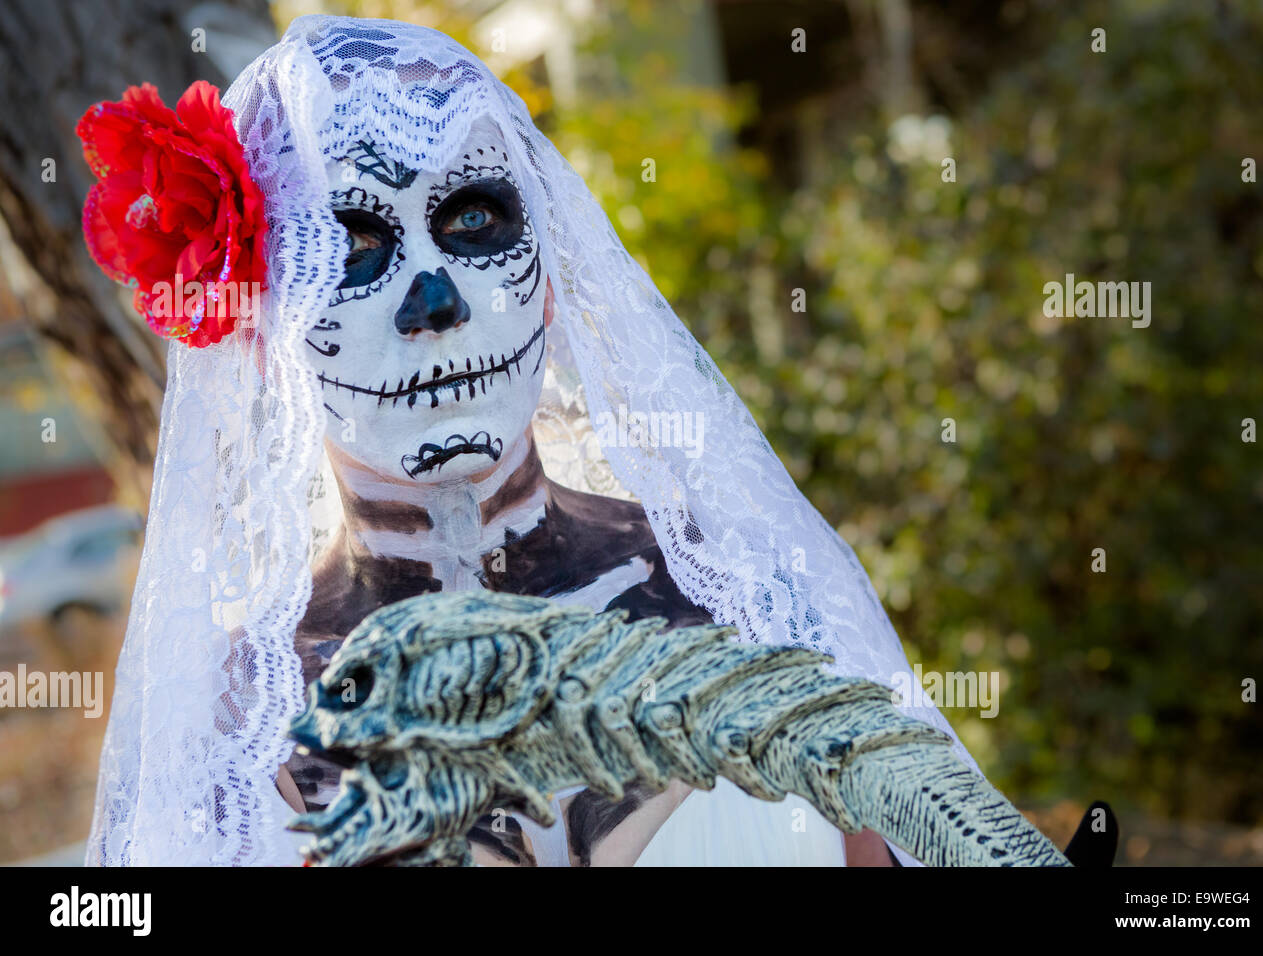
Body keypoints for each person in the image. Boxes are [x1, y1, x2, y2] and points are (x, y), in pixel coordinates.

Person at [85, 14, 981, 867]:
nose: (434, 303)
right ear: (266, 325)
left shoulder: (749, 592)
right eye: (352, 245)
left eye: (473, 222)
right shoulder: (229, 721)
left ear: (550, 277)